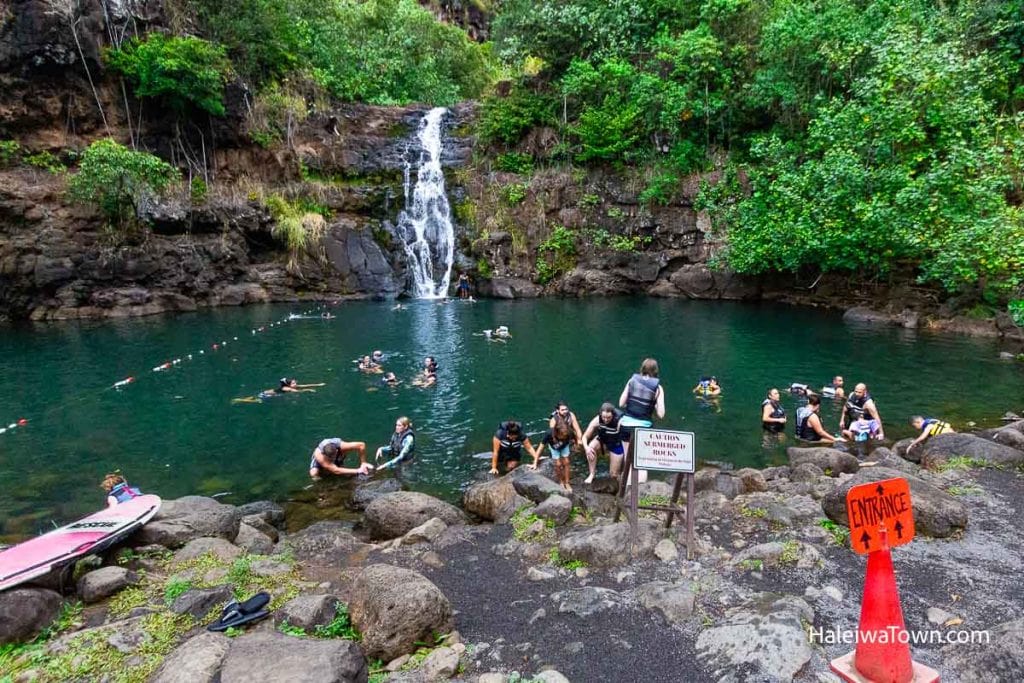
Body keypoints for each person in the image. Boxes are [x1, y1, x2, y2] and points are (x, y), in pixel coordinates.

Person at [618, 358, 666, 485]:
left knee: (628, 460)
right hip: (644, 430)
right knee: (642, 462)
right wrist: (654, 403)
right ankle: (640, 493)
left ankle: (626, 492)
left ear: (642, 368)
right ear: (656, 371)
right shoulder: (658, 388)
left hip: (626, 426)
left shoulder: (632, 381)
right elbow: (661, 414)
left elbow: (621, 403)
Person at [537, 402, 584, 492]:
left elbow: (577, 429)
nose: (565, 411)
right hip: (557, 440)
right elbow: (552, 434)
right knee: (558, 464)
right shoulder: (554, 420)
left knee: (566, 461)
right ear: (557, 411)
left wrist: (579, 440)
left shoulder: (570, 416)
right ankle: (561, 481)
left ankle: (567, 482)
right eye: (562, 410)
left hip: (566, 436)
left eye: (566, 409)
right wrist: (536, 461)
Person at [581, 402, 626, 484]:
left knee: (614, 475)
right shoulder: (597, 419)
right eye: (604, 417)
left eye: (608, 417)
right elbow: (584, 437)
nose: (605, 420)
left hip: (616, 444)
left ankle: (620, 479)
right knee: (590, 447)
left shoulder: (620, 421)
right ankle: (592, 474)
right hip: (603, 440)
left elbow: (627, 440)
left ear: (613, 415)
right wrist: (586, 448)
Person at [232, 378, 322, 403]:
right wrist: (309, 390)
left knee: (254, 397)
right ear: (288, 385)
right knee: (257, 401)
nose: (296, 384)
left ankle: (242, 399)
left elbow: (304, 385)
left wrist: (318, 384)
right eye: (294, 383)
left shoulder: (289, 386)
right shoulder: (286, 388)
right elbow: (298, 391)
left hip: (265, 393)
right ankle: (239, 400)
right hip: (265, 395)